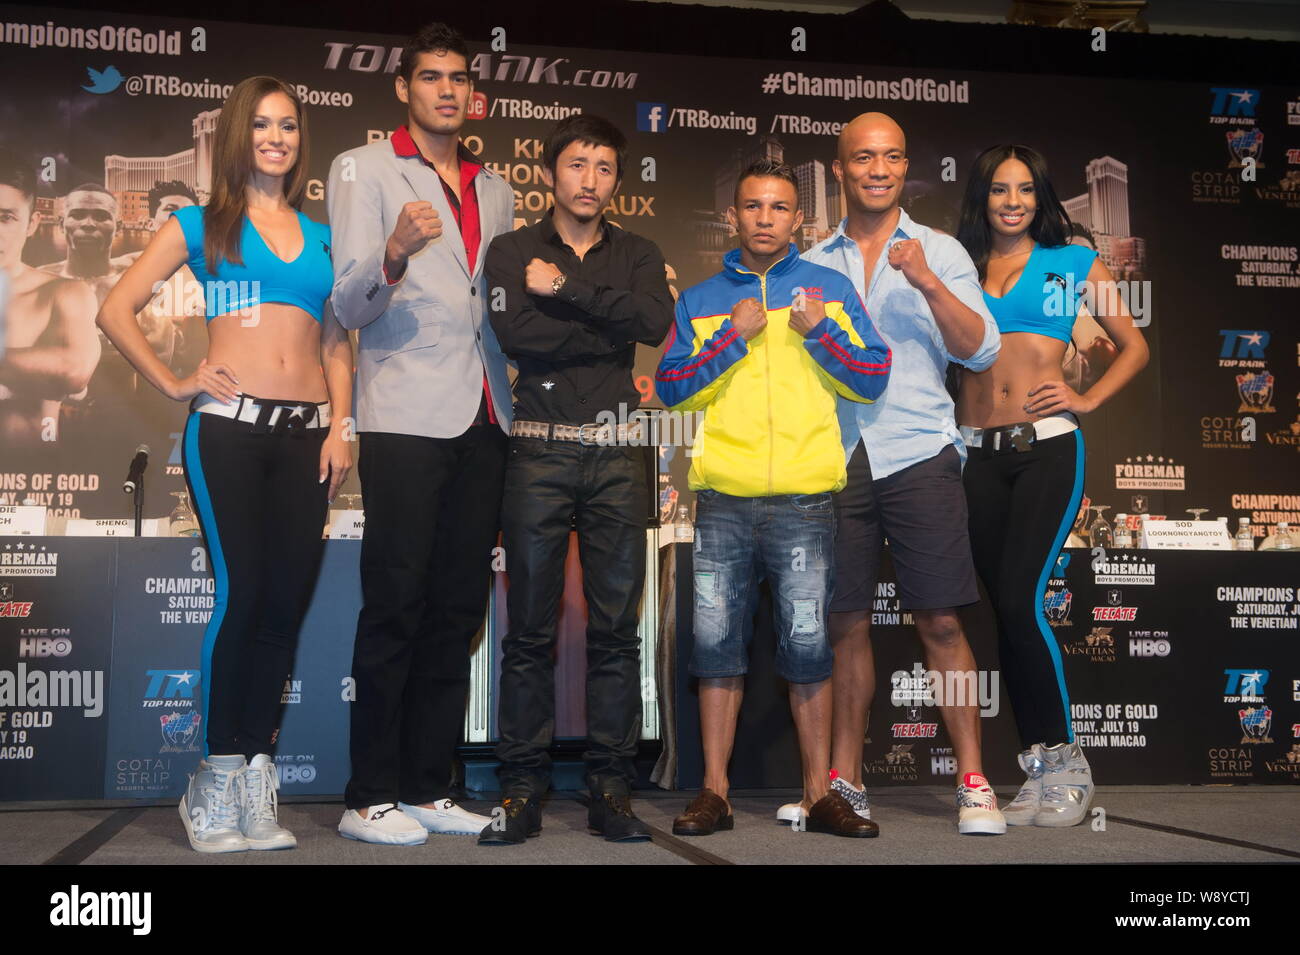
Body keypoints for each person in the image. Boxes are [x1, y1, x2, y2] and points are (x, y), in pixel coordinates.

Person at [97, 76, 353, 853]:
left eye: (289, 126)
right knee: (240, 598)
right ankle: (214, 776)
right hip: (229, 434)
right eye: (264, 125)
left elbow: (338, 340)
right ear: (240, 134)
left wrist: (343, 425)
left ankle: (254, 777)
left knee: (283, 609)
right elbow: (115, 308)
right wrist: (176, 380)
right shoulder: (197, 223)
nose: (277, 137)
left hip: (308, 438)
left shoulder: (323, 236)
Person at [659, 159, 891, 838]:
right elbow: (672, 389)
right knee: (716, 648)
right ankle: (714, 791)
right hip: (724, 501)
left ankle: (820, 793)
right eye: (753, 206)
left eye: (778, 207)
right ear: (735, 214)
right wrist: (734, 336)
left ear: (798, 217)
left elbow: (872, 377)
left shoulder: (829, 289)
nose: (765, 218)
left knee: (809, 647)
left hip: (803, 501)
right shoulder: (701, 299)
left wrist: (818, 331)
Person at [328, 22, 514, 846]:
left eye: (459, 78)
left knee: (458, 607)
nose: (447, 89)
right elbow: (348, 304)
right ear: (403, 88)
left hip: (487, 413)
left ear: (474, 93)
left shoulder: (498, 186)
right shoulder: (364, 168)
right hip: (403, 412)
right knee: (396, 604)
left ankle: (428, 783)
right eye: (431, 76)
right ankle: (367, 791)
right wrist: (394, 254)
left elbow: (496, 307)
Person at [802, 112, 1007, 836]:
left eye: (890, 157)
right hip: (837, 455)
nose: (878, 169)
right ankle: (848, 781)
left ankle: (974, 781)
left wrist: (924, 280)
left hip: (919, 449)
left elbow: (980, 349)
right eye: (863, 157)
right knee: (845, 620)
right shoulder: (812, 261)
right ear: (840, 169)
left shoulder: (942, 250)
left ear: (905, 166)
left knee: (943, 618)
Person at [480, 113, 673, 846]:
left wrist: (566, 288)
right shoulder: (511, 250)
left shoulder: (641, 250)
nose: (590, 179)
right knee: (527, 631)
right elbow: (521, 336)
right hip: (537, 452)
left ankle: (611, 787)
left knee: (616, 633)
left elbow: (654, 324)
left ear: (616, 180)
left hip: (620, 454)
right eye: (577, 165)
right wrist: (602, 320)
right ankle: (521, 787)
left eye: (603, 167)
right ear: (551, 173)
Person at [954, 144, 1148, 827]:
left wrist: (1086, 399)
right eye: (1000, 189)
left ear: (1041, 199)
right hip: (975, 457)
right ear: (982, 197)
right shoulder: (961, 267)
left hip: (1047, 450)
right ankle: (1036, 766)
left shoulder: (1071, 264)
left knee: (1019, 597)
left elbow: (1135, 345)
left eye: (1026, 190)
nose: (1013, 201)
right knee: (1004, 611)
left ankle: (1068, 761)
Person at [0, 147, 99, 446]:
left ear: (31, 224)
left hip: (32, 472)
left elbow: (73, 369)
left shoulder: (61, 292)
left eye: (5, 218)